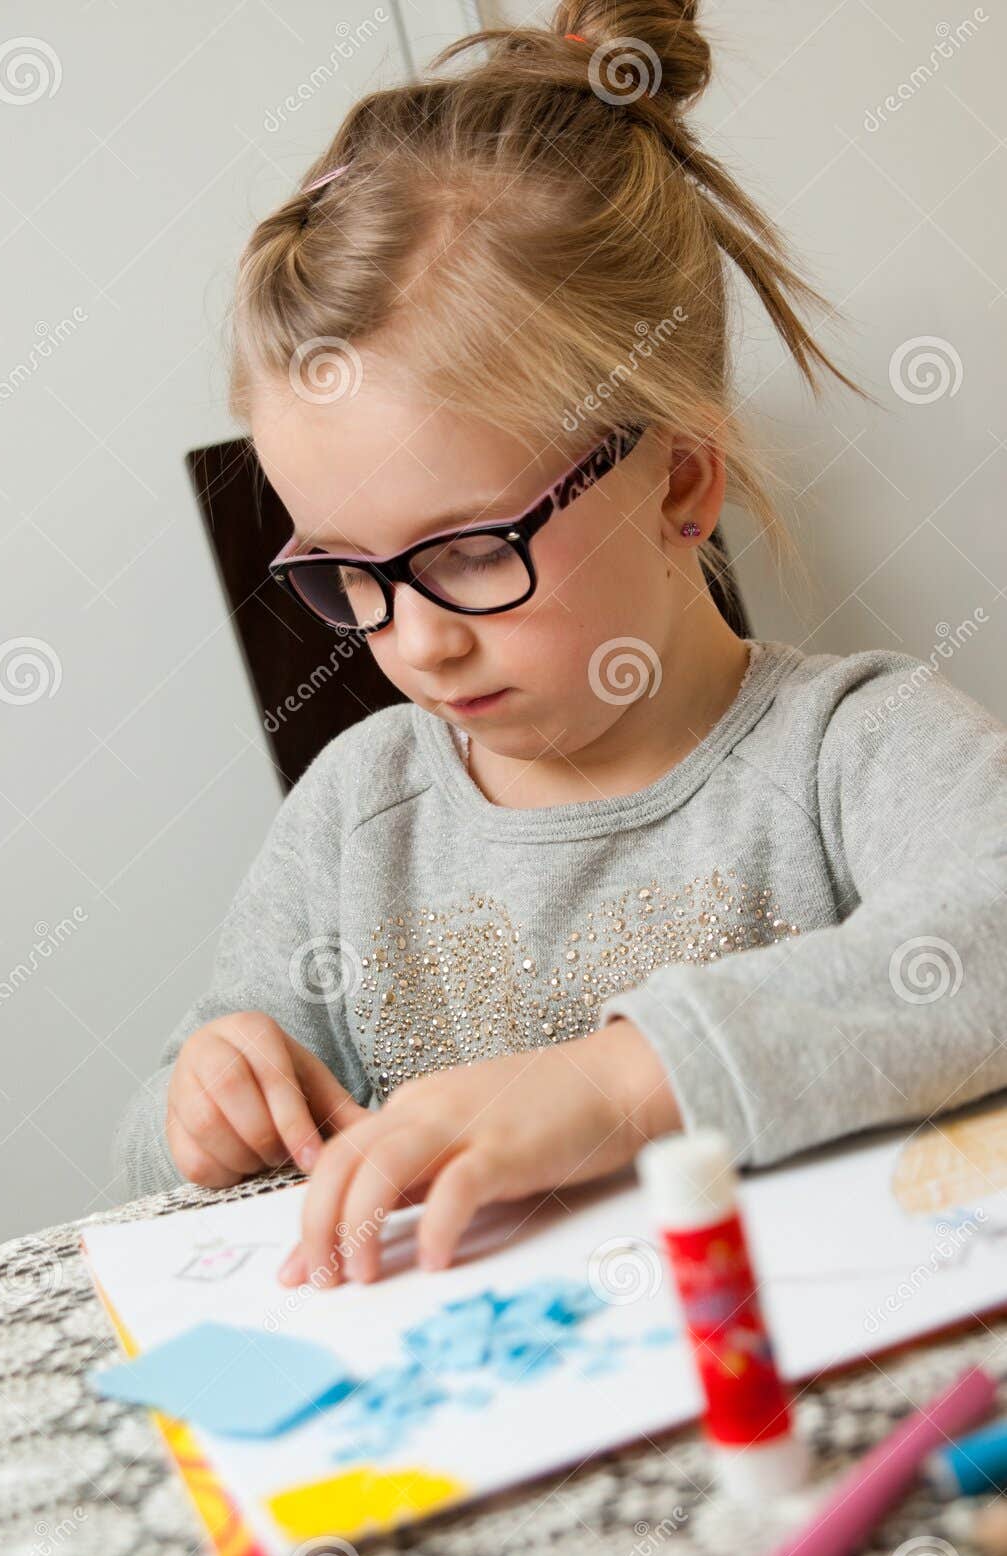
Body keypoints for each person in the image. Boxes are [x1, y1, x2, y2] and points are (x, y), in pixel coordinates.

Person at [114, 2, 1007, 1294]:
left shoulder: (849, 753)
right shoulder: (357, 818)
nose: (413, 639)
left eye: (474, 549)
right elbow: (167, 1141)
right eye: (344, 571)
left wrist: (620, 1083)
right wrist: (201, 1107)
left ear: (679, 487)